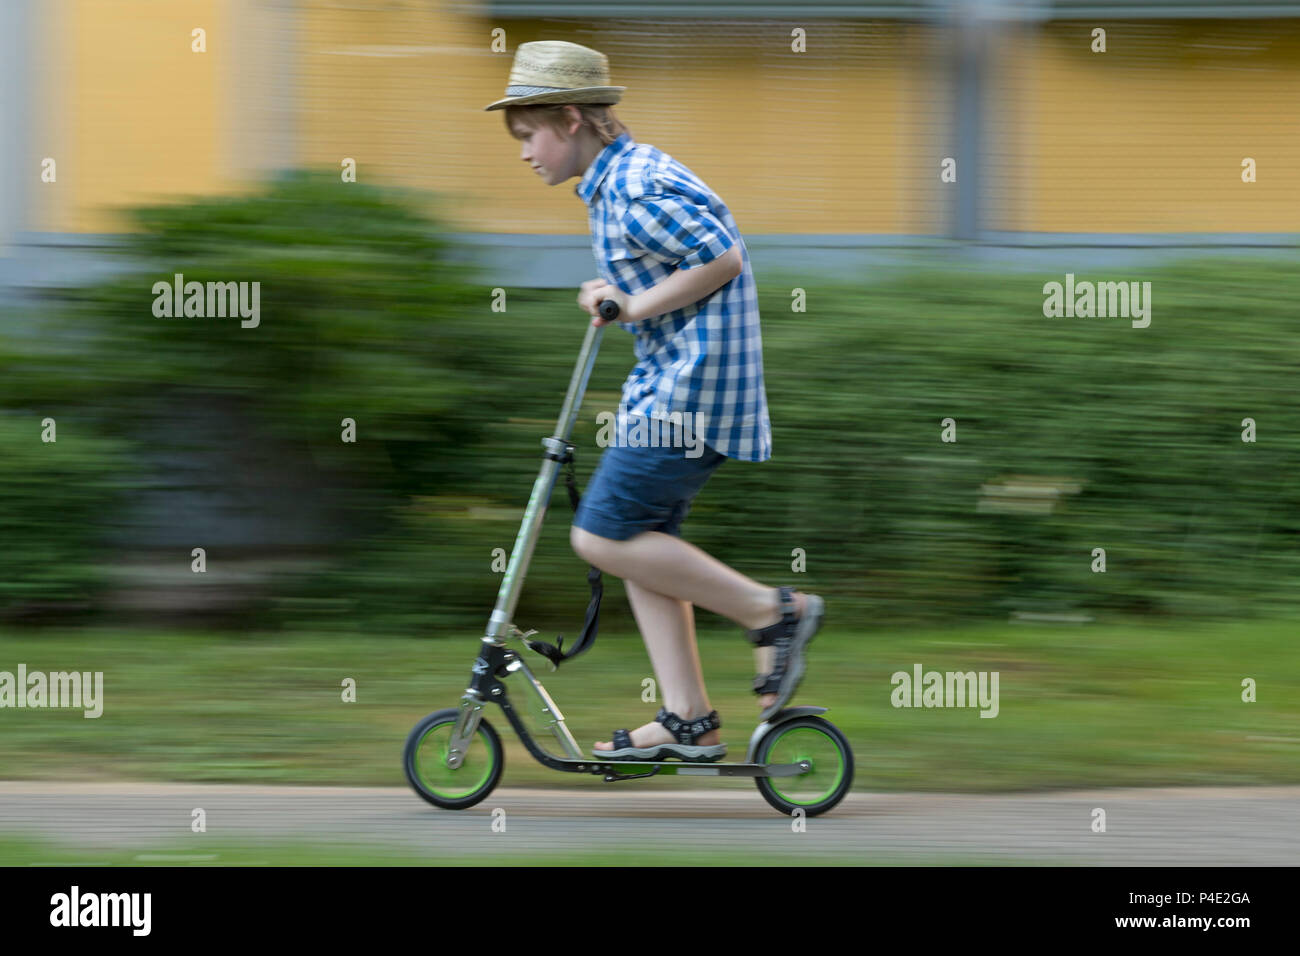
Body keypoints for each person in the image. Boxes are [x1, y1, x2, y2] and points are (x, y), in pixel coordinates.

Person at [485, 41, 823, 763]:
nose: (524, 153)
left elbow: (721, 255)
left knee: (600, 536)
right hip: (677, 381)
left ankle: (773, 612)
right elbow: (677, 263)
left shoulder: (632, 188)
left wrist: (631, 305)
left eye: (529, 134)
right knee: (641, 548)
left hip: (691, 387)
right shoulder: (623, 180)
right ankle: (688, 720)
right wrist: (615, 296)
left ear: (571, 118)